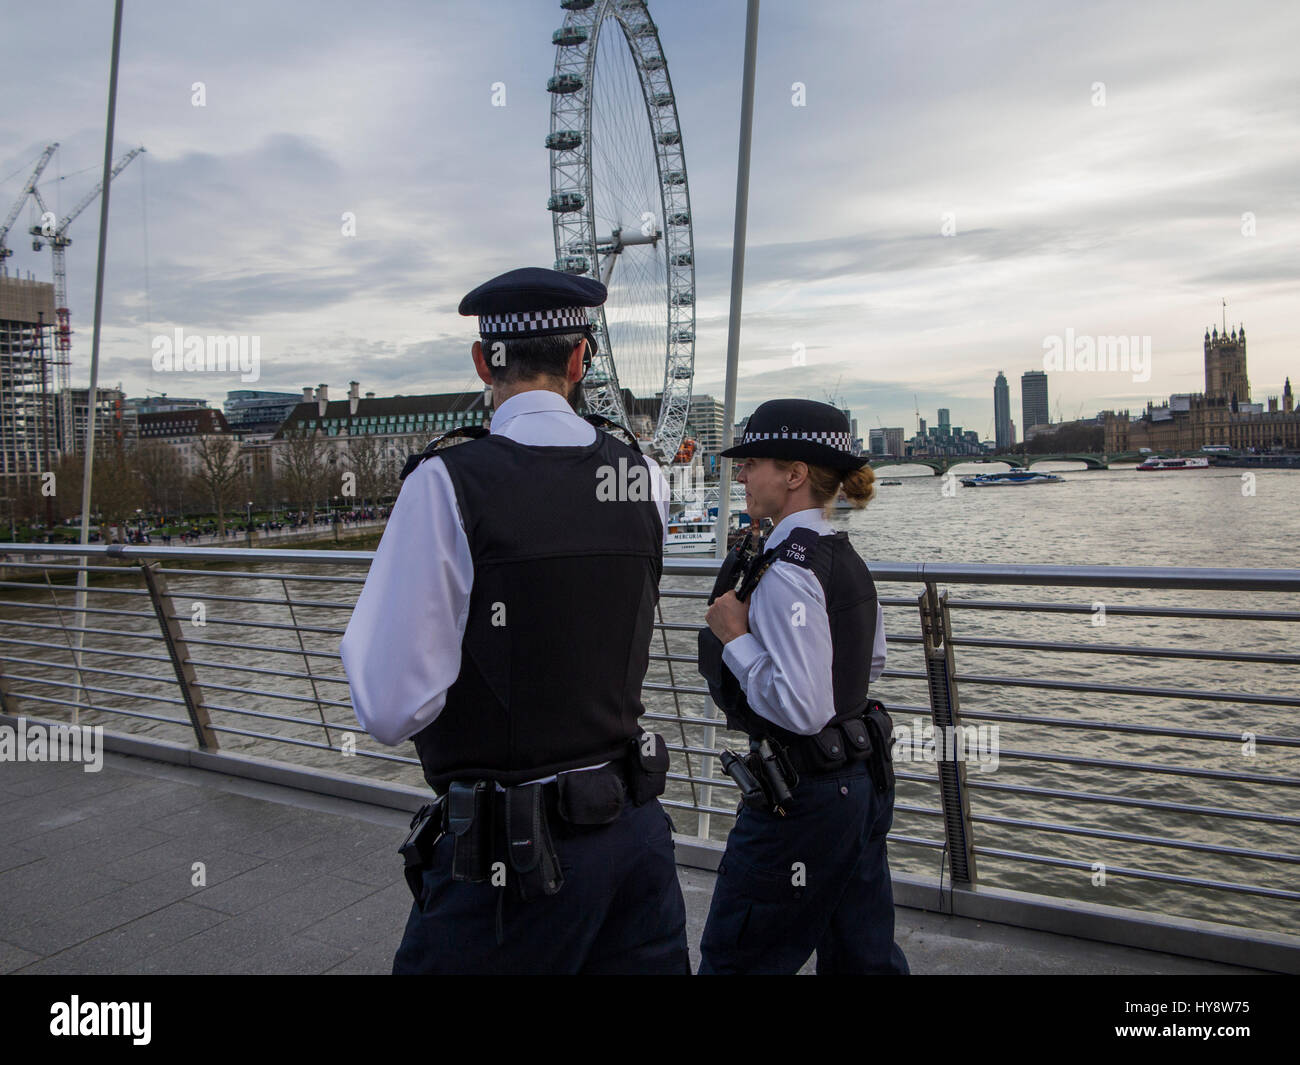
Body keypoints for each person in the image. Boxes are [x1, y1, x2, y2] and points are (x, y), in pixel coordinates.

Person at [340, 266, 689, 975]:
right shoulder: (642, 477)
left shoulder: (448, 483)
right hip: (634, 844)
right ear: (580, 358)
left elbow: (388, 705)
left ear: (482, 361)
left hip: (514, 868)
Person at [696, 398, 909, 975]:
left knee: (737, 958)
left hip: (803, 799)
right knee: (862, 957)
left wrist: (735, 636)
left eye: (753, 461)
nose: (740, 472)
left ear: (793, 475)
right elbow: (872, 665)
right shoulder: (839, 554)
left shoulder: (785, 569)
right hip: (862, 783)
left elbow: (802, 709)